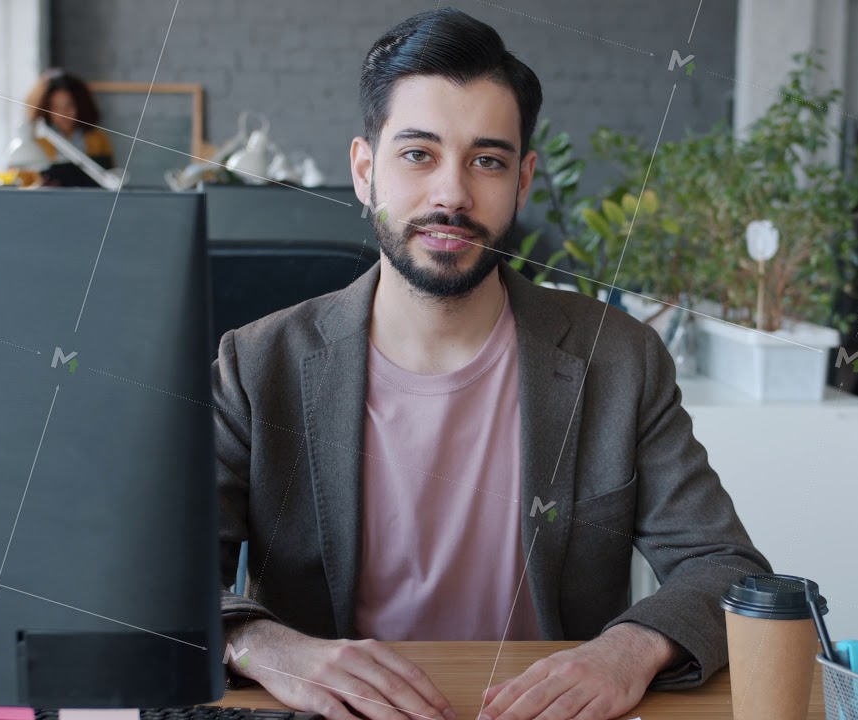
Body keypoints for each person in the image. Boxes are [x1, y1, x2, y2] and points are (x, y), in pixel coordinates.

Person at [212, 8, 770, 720]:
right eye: (418, 154)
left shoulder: (618, 360)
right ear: (363, 169)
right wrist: (269, 648)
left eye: (488, 160)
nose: (452, 193)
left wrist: (627, 649)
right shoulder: (259, 365)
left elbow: (726, 567)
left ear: (525, 179)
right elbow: (156, 577)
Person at [22, 69, 115, 187]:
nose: (63, 113)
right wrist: (37, 189)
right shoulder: (34, 141)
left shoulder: (97, 138)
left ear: (81, 105)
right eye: (55, 107)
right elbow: (17, 188)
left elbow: (110, 178)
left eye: (69, 105)